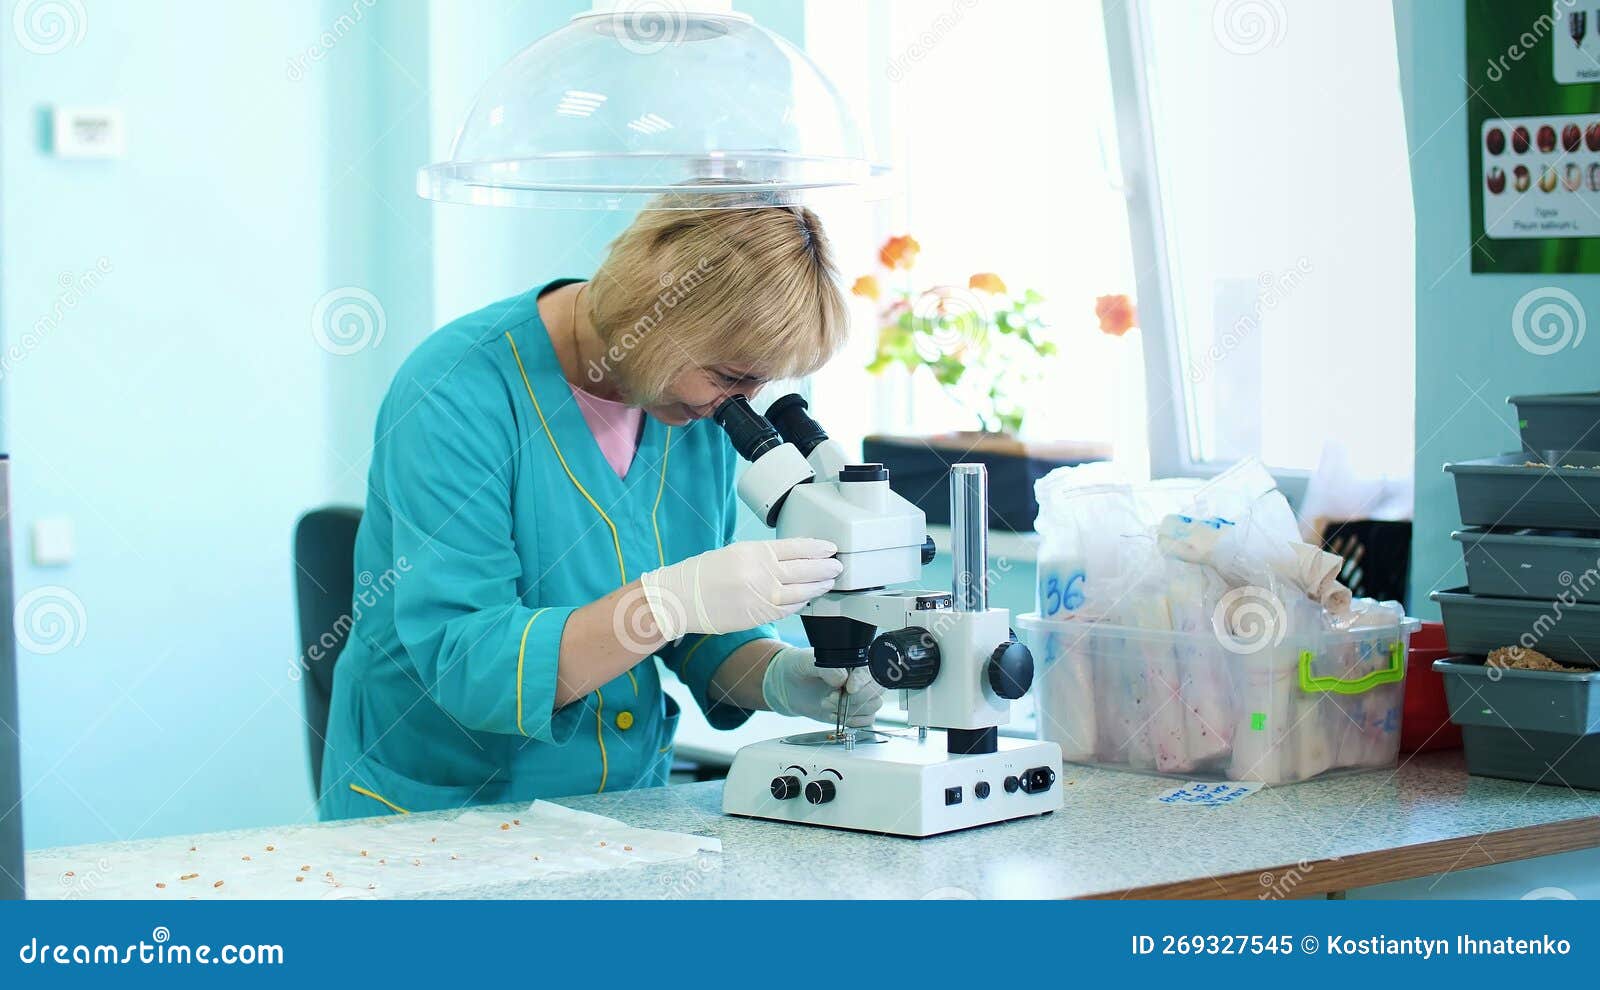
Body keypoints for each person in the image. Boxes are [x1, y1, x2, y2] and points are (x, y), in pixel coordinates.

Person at [318, 197, 884, 819]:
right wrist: (666, 601)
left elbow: (696, 630)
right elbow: (471, 661)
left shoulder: (691, 405)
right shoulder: (454, 391)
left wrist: (784, 677)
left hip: (625, 806)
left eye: (758, 384)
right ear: (657, 312)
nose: (741, 405)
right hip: (444, 809)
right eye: (730, 377)